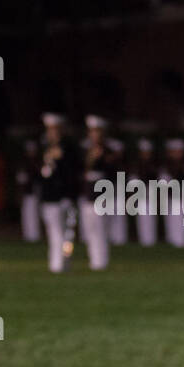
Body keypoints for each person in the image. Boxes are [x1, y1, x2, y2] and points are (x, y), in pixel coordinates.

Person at [38, 112, 77, 272]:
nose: (51, 133)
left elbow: (70, 174)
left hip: (61, 197)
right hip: (49, 198)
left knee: (62, 234)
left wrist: (68, 195)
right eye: (49, 130)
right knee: (53, 233)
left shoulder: (68, 149)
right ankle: (56, 264)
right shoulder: (46, 148)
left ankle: (60, 265)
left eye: (54, 129)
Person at [76, 115, 111, 270]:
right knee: (89, 228)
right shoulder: (84, 149)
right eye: (92, 131)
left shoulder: (107, 150)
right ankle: (93, 259)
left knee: (100, 228)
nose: (94, 134)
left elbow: (111, 172)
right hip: (87, 193)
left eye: (97, 131)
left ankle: (101, 261)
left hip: (101, 193)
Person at [162, 138, 184, 248]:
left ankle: (181, 243)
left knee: (183, 223)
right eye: (173, 151)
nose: (176, 154)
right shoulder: (166, 167)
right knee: (171, 223)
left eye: (179, 151)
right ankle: (172, 243)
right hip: (171, 199)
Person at [132, 138, 158, 245]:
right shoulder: (137, 166)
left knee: (152, 224)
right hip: (141, 197)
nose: (146, 155)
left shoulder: (154, 166)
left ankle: (151, 243)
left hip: (152, 196)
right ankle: (144, 243)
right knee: (142, 223)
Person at [104, 138, 129, 246]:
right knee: (107, 220)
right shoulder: (106, 164)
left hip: (119, 195)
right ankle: (108, 240)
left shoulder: (123, 164)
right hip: (107, 194)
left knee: (119, 220)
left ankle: (120, 241)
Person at [16, 140, 41, 243]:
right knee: (26, 215)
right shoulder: (24, 163)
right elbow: (20, 179)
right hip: (26, 193)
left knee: (33, 215)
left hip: (34, 193)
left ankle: (34, 236)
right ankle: (28, 236)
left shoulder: (37, 163)